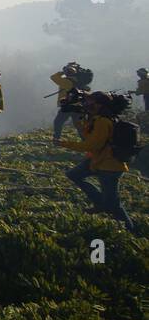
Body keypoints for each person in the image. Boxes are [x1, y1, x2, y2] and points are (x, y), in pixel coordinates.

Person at [57, 92, 135, 232]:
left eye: (90, 102)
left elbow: (92, 145)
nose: (86, 105)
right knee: (73, 174)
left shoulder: (102, 121)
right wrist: (79, 117)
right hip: (98, 160)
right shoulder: (98, 118)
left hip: (109, 166)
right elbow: (87, 135)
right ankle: (100, 202)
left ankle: (130, 230)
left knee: (114, 205)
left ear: (99, 105)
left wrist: (64, 143)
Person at [50, 62, 92, 144]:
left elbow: (53, 77)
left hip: (68, 106)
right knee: (79, 125)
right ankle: (86, 141)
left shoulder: (66, 82)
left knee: (58, 122)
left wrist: (63, 71)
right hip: (79, 105)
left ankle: (56, 139)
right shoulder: (78, 81)